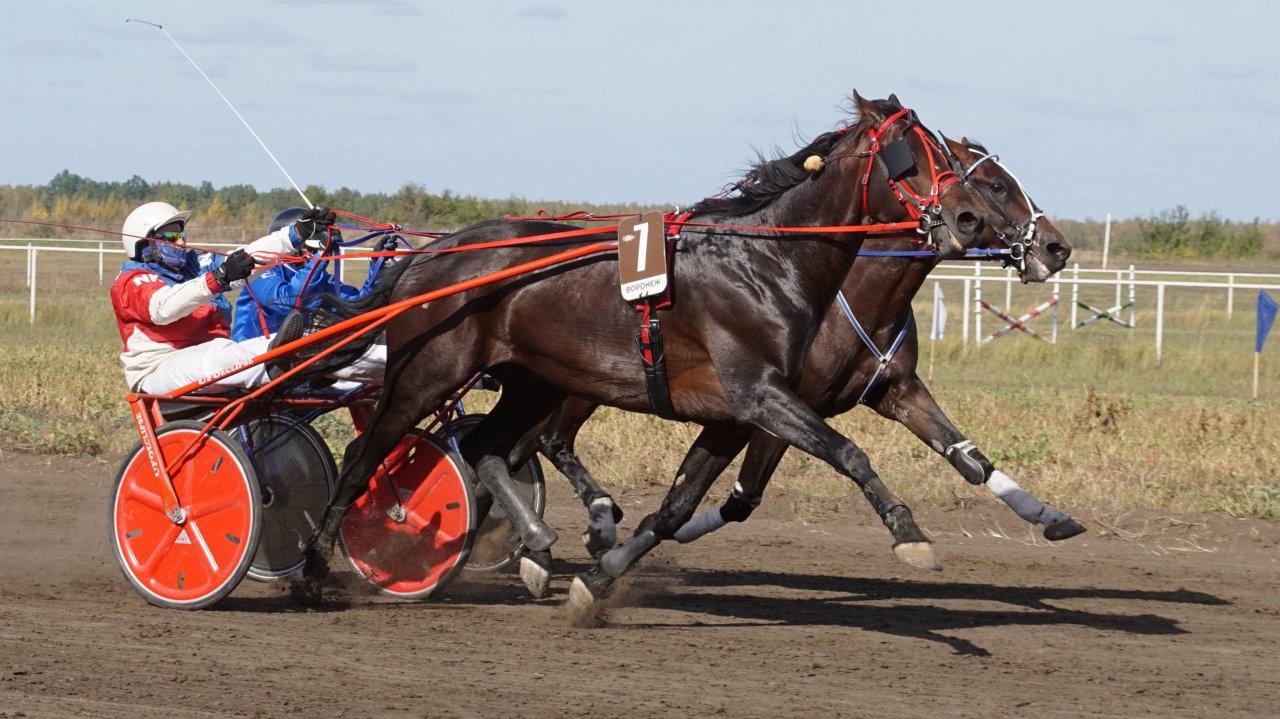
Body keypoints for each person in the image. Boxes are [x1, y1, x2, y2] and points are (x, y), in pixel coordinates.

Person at [110, 200, 361, 394]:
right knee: (224, 353)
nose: (179, 243)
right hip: (157, 369)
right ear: (145, 245)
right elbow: (163, 308)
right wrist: (216, 279)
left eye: (180, 235)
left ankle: (309, 359)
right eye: (169, 237)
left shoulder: (195, 265)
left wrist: (294, 235)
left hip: (202, 357)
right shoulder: (133, 280)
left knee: (279, 343)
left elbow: (246, 257)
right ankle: (295, 369)